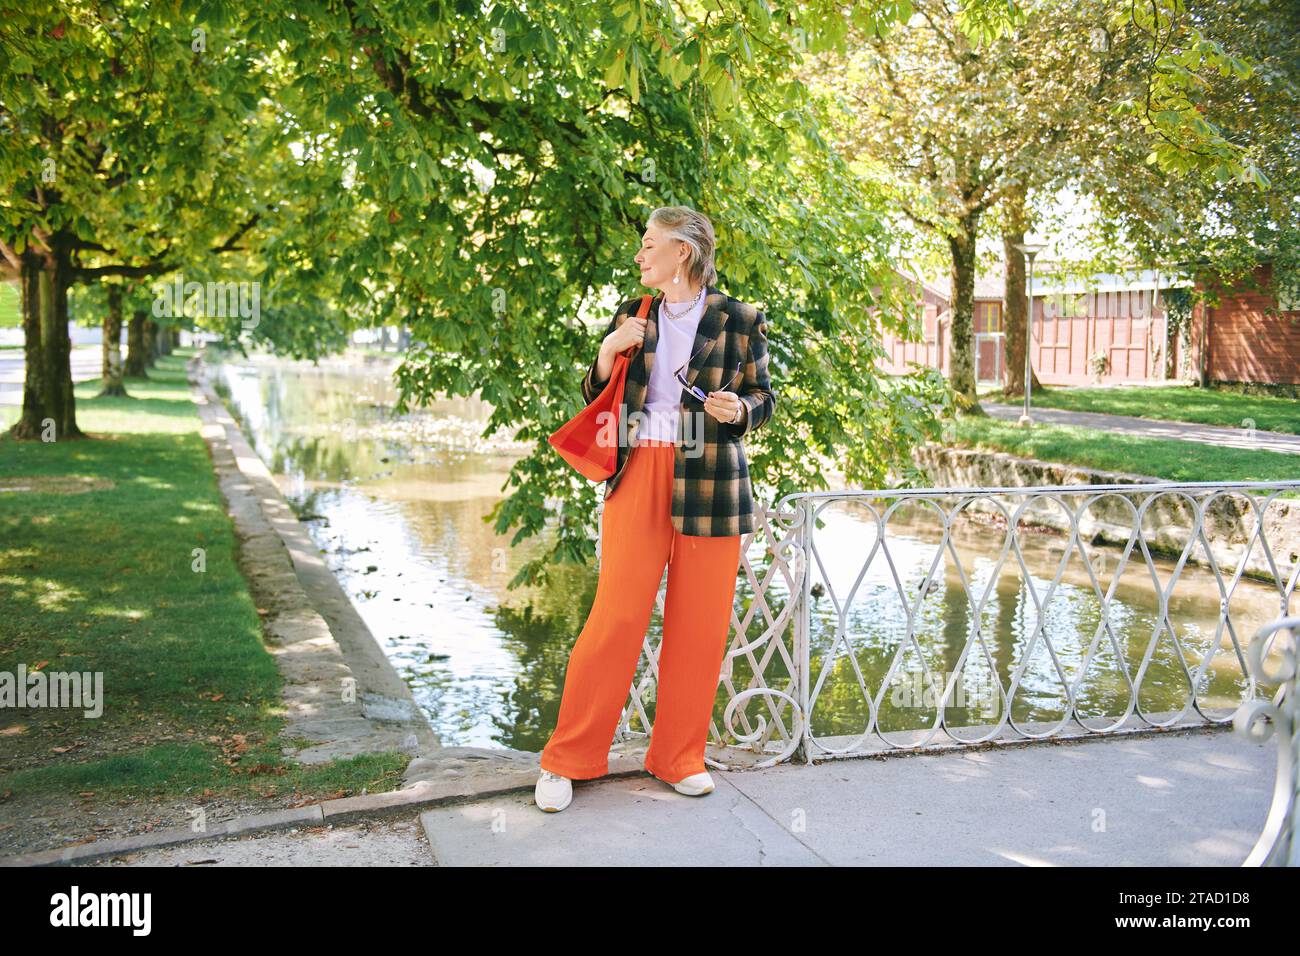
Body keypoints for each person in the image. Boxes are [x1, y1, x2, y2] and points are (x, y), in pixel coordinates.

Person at [535, 205, 776, 812]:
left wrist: (741, 412)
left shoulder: (740, 319)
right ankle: (567, 759)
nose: (641, 255)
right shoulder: (632, 318)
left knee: (699, 625)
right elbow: (599, 397)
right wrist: (605, 351)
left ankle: (677, 757)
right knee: (615, 617)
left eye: (650, 245)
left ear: (683, 253)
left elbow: (763, 397)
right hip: (639, 467)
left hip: (713, 479)